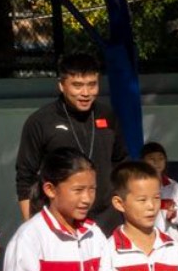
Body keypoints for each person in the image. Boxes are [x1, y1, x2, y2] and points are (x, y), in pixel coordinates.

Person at [14, 53, 128, 219]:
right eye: (77, 85)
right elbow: (25, 177)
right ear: (61, 85)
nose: (86, 93)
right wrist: (30, 225)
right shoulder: (41, 121)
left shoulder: (109, 116)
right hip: (61, 218)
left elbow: (122, 165)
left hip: (107, 218)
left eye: (92, 85)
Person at [140, 141, 178, 235]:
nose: (157, 162)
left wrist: (175, 214)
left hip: (168, 239)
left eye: (161, 158)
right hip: (143, 237)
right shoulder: (137, 186)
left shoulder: (173, 186)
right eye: (152, 159)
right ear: (143, 161)